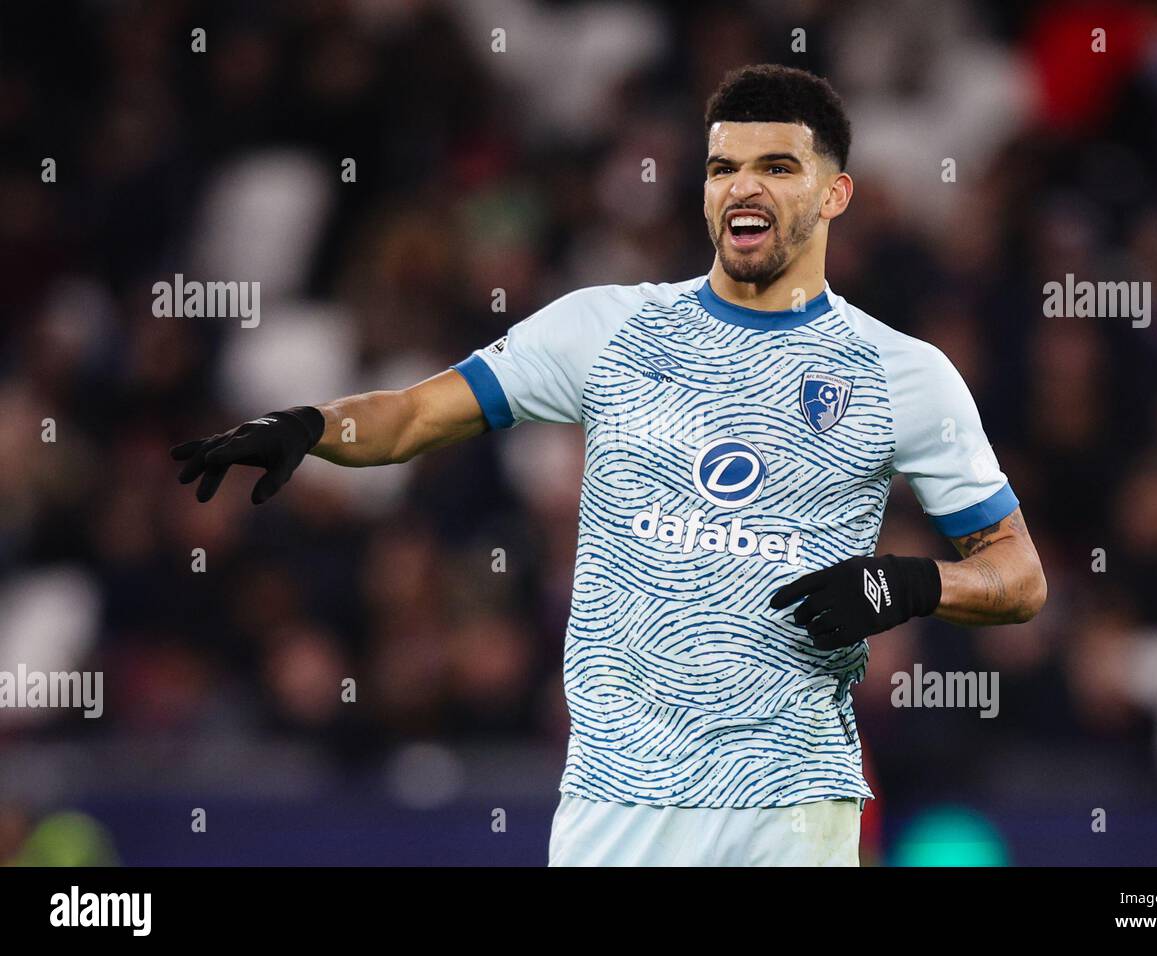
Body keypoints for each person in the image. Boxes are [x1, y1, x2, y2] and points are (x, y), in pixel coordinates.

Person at [171, 64, 1047, 866]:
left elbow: (1018, 577)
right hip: (615, 811)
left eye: (778, 167)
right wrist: (311, 424)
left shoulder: (906, 375)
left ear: (835, 193)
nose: (744, 186)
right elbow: (408, 418)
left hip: (789, 809)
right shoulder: (606, 329)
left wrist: (908, 585)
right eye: (723, 167)